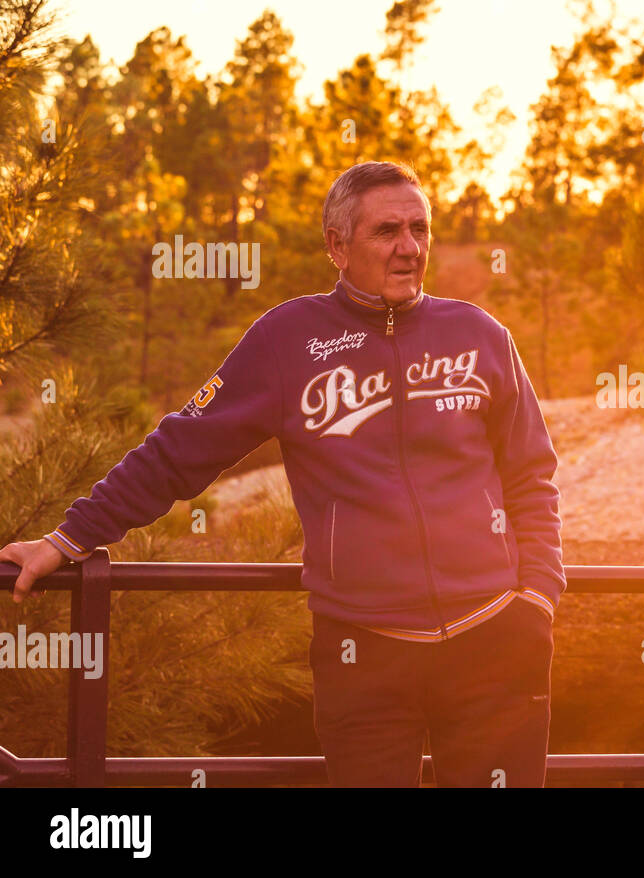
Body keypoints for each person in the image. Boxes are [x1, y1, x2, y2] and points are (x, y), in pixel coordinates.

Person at [0, 160, 565, 787]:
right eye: (387, 232)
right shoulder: (287, 341)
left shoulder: (480, 334)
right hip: (363, 653)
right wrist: (69, 537)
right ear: (337, 246)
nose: (410, 248)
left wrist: (537, 598)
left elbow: (532, 474)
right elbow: (178, 451)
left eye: (420, 228)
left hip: (492, 640)